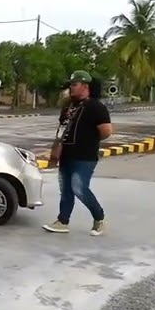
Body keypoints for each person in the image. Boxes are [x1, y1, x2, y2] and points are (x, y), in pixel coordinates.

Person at [44, 70, 113, 235]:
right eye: (71, 85)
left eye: (74, 85)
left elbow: (106, 131)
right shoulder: (68, 106)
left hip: (85, 156)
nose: (71, 88)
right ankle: (62, 221)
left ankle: (99, 218)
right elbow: (62, 128)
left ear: (85, 86)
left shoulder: (96, 106)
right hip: (66, 154)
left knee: (79, 187)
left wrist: (88, 140)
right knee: (66, 189)